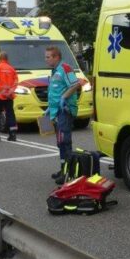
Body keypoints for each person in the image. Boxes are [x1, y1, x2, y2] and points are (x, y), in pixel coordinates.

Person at [45, 46, 80, 184]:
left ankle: (69, 173)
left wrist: (64, 97)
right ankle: (63, 169)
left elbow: (75, 84)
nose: (46, 59)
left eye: (48, 57)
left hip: (65, 111)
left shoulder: (65, 68)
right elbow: (55, 91)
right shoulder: (54, 71)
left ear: (56, 57)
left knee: (65, 142)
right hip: (56, 111)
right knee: (60, 142)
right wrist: (50, 107)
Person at [0, 51, 19, 142]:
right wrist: (9, 92)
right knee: (10, 114)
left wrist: (2, 92)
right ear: (7, 59)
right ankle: (12, 134)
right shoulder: (11, 69)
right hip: (9, 96)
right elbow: (15, 82)